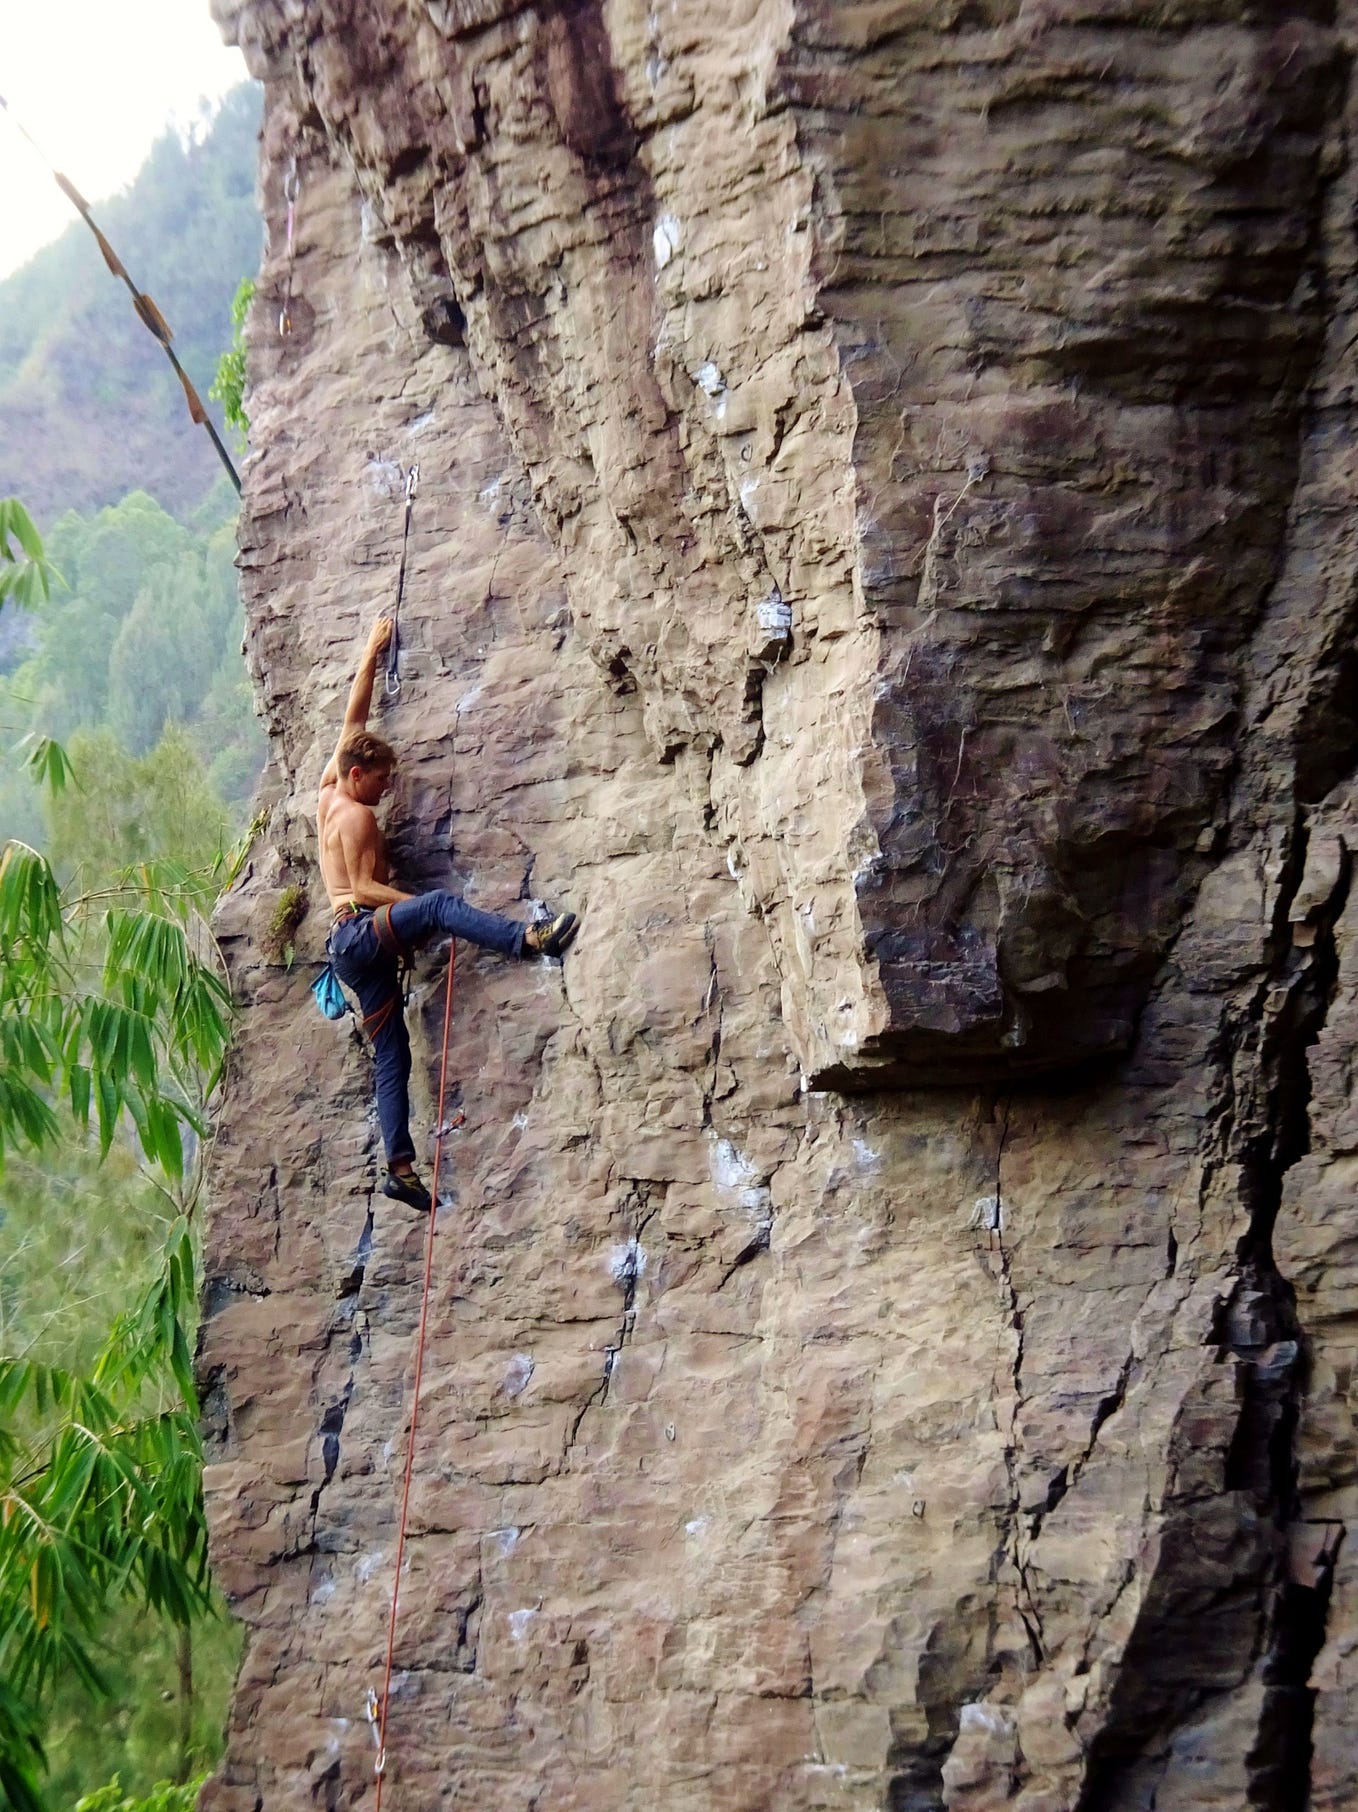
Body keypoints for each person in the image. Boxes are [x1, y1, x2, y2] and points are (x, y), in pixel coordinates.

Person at [318, 617, 577, 1211]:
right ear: (359, 777)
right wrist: (419, 912)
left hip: (348, 951)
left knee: (393, 1054)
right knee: (437, 906)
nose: (386, 791)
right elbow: (361, 886)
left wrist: (370, 655)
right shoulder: (357, 817)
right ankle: (529, 939)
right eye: (381, 781)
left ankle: (401, 1168)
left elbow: (353, 722)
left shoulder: (330, 792)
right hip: (358, 933)